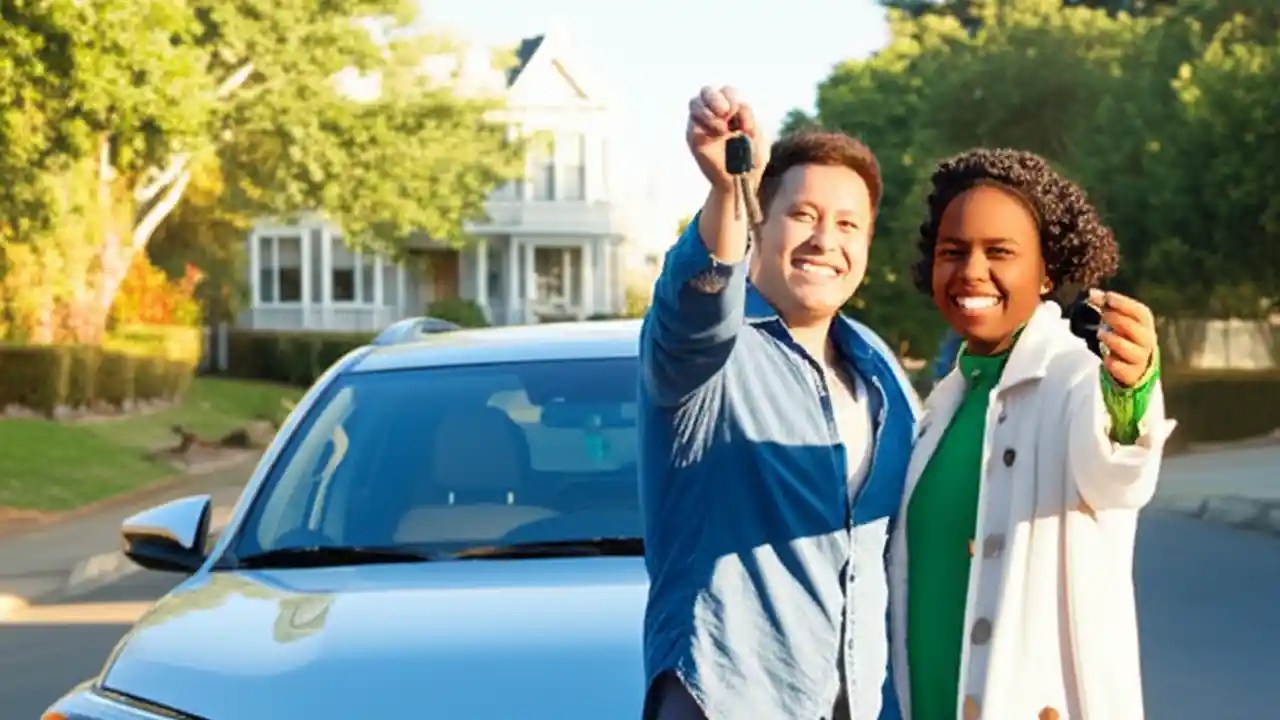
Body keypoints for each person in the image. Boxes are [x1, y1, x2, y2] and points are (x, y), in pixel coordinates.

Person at [638, 85, 919, 720]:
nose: (826, 239)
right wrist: (726, 189)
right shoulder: (710, 354)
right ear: (760, 222)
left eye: (849, 224)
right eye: (804, 215)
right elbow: (696, 301)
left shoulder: (879, 369)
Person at [887, 148, 1177, 719]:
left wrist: (1132, 388)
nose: (971, 270)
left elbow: (1119, 472)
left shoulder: (1074, 378)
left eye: (1000, 252)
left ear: (1046, 270)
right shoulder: (941, 408)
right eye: (953, 252)